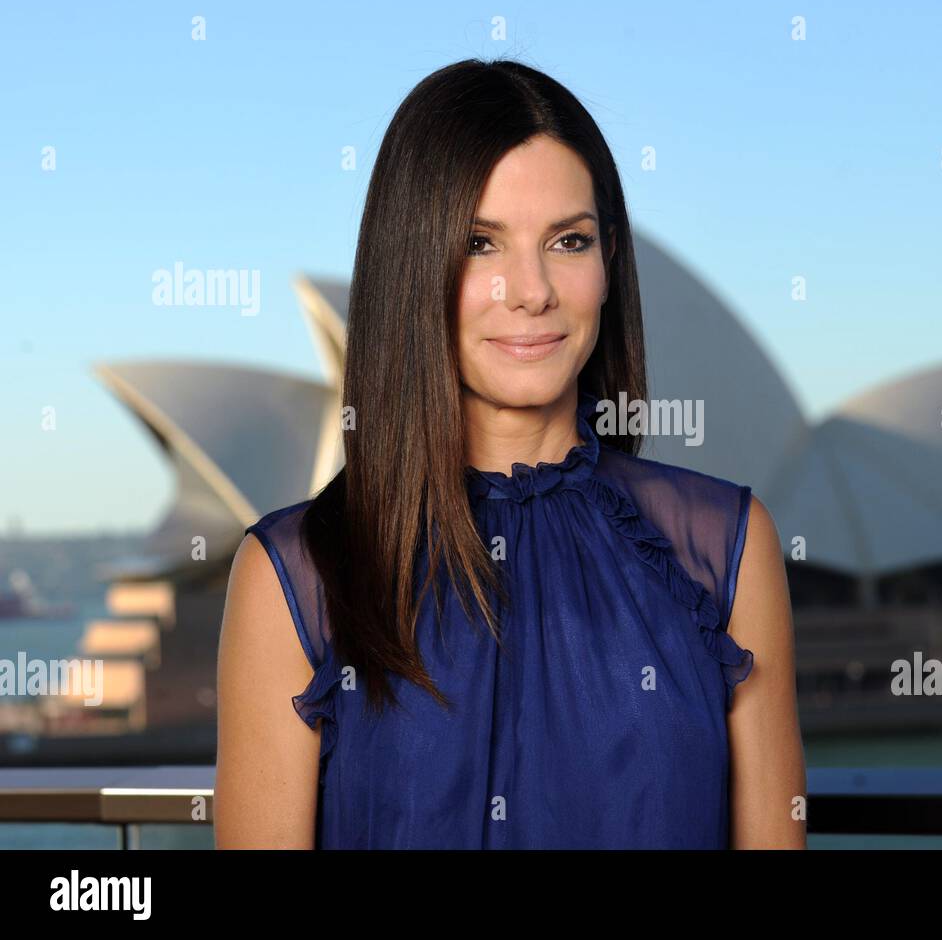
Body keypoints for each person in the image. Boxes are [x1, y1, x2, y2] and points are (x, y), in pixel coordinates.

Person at [214, 58, 805, 849]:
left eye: (568, 240)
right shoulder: (296, 575)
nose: (531, 291)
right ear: (412, 267)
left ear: (609, 262)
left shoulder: (725, 547)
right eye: (481, 244)